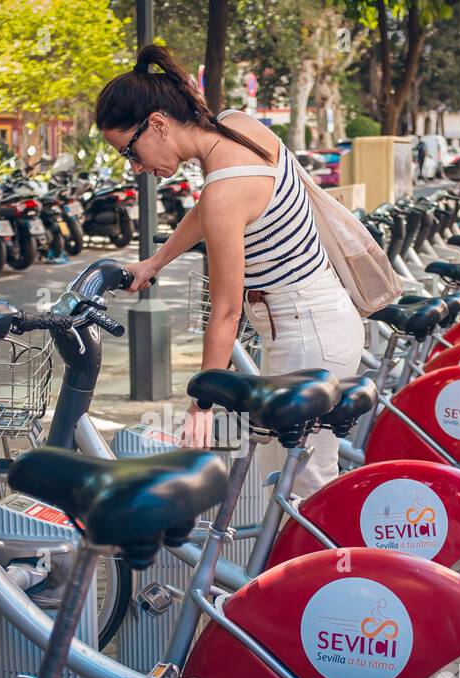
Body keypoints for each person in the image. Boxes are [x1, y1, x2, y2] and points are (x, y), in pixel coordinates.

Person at [95, 44, 365, 497]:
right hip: (321, 320)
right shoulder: (237, 127)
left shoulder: (225, 191)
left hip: (305, 336)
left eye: (130, 152)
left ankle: (357, 569)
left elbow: (224, 312)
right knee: (290, 485)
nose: (137, 167)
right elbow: (207, 211)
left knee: (303, 494)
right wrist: (156, 261)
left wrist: (203, 400)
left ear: (157, 124)